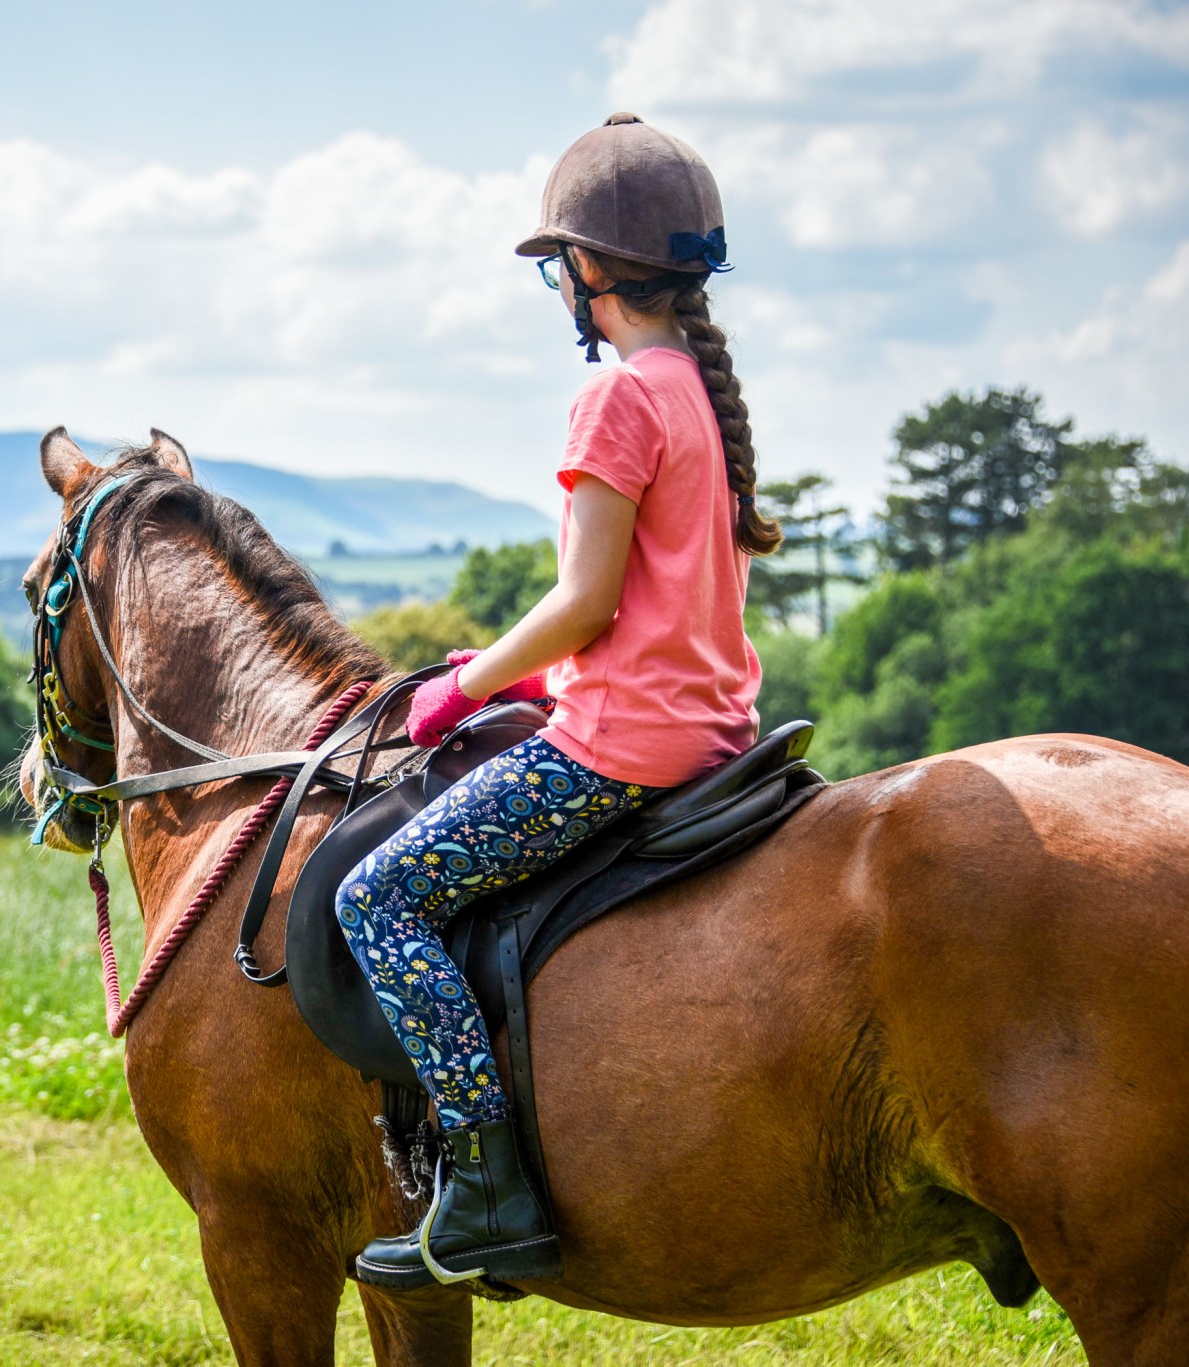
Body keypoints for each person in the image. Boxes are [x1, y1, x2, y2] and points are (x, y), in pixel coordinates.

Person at [342, 112, 782, 1291]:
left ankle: (483, 1187)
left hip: (620, 748)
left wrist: (458, 690)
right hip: (707, 729)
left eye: (559, 268)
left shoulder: (621, 398)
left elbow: (585, 599)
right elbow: (646, 609)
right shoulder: (696, 388)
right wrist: (520, 660)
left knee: (378, 894)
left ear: (585, 268)